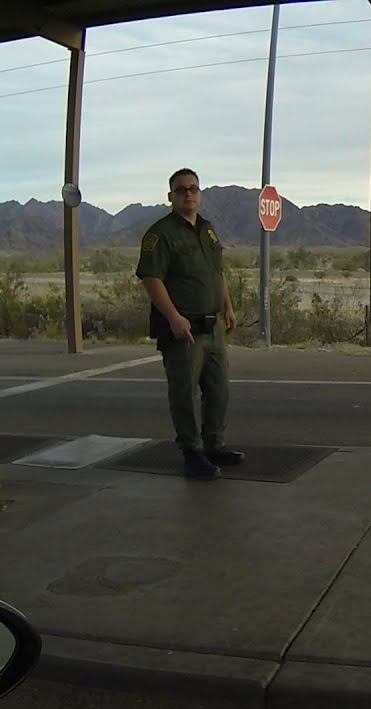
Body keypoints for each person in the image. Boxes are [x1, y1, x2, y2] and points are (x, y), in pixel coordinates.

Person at [134, 168, 244, 480]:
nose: (188, 194)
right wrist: (173, 317)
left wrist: (228, 307)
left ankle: (214, 444)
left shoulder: (207, 231)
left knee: (218, 390)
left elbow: (216, 273)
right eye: (181, 190)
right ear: (171, 196)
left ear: (200, 193)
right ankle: (191, 452)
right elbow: (152, 278)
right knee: (183, 393)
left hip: (213, 327)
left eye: (193, 189)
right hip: (183, 330)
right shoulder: (161, 234)